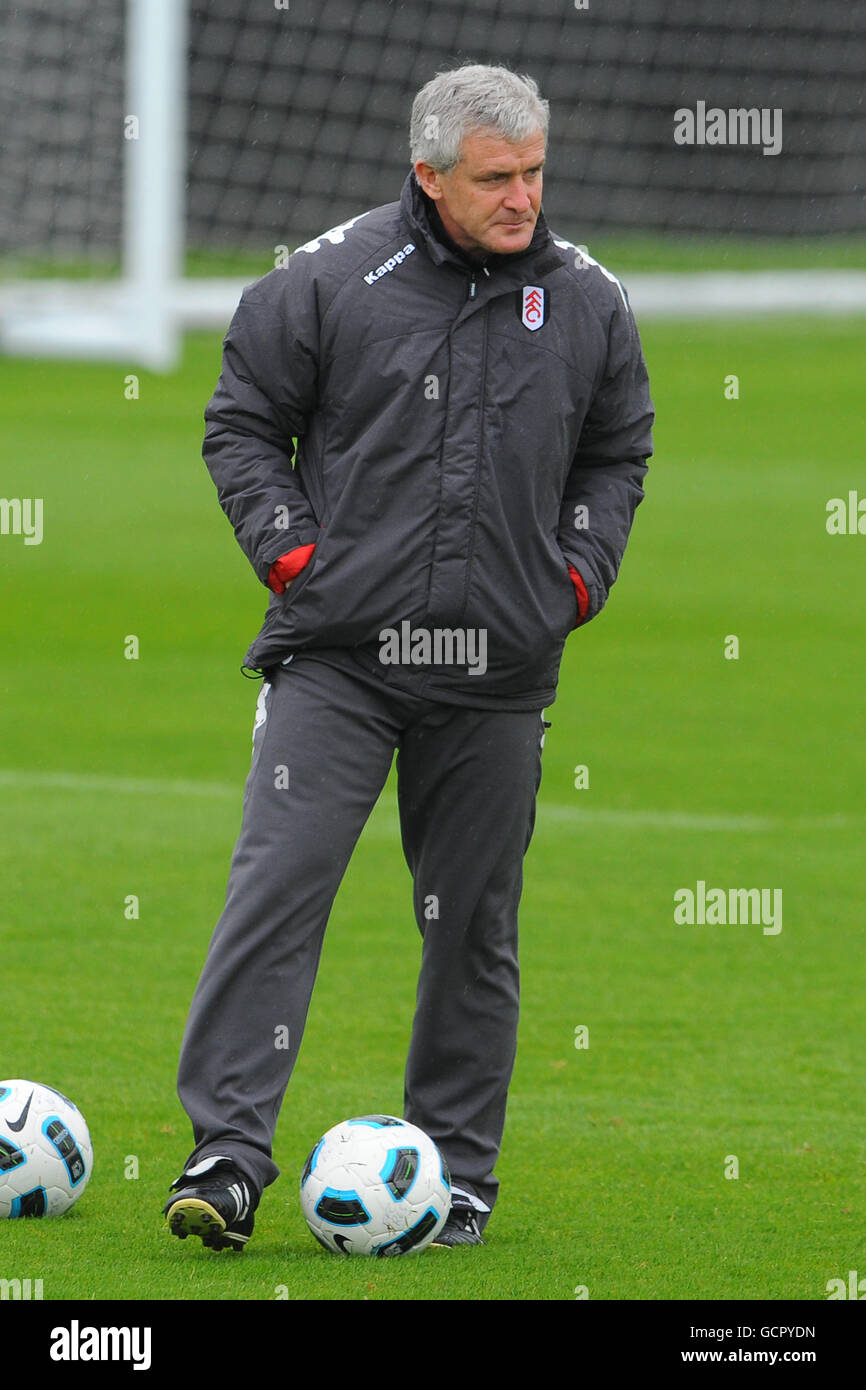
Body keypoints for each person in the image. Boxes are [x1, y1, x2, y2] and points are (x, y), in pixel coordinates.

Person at [164, 62, 653, 1252]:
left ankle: (458, 1178)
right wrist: (294, 562)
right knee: (276, 891)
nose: (522, 198)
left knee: (472, 923)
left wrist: (575, 579)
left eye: (535, 172)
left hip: (496, 674)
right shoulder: (328, 279)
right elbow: (240, 425)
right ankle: (225, 1156)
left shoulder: (585, 301)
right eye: (496, 178)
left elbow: (616, 448)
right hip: (339, 660)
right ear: (428, 175)